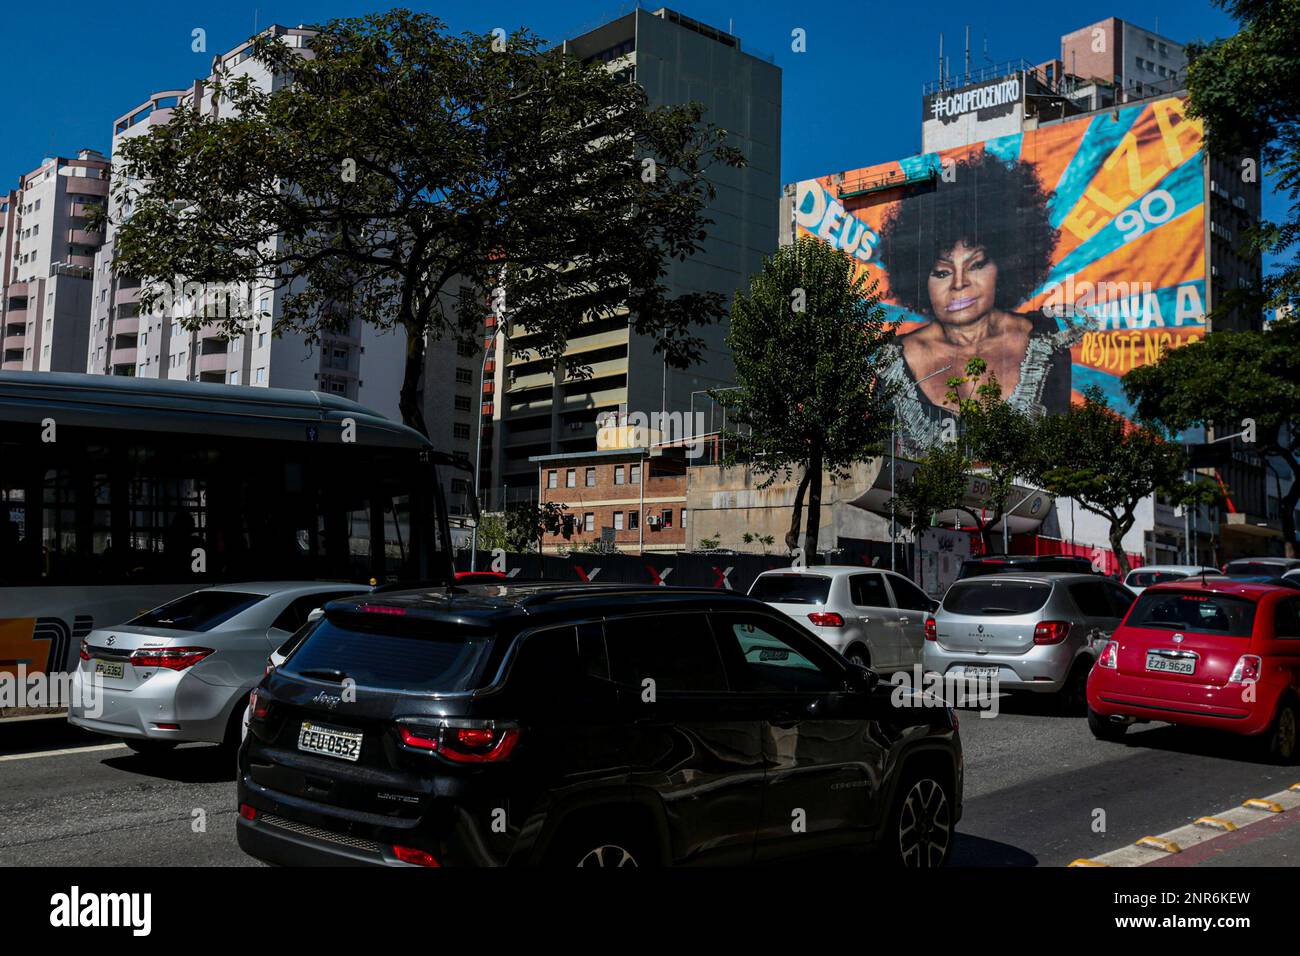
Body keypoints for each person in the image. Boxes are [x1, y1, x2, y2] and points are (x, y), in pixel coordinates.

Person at [875, 151, 1092, 446]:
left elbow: (1061, 452)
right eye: (941, 272)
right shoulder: (893, 360)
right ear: (918, 279)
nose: (960, 284)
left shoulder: (1045, 342)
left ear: (1003, 265)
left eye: (976, 265)